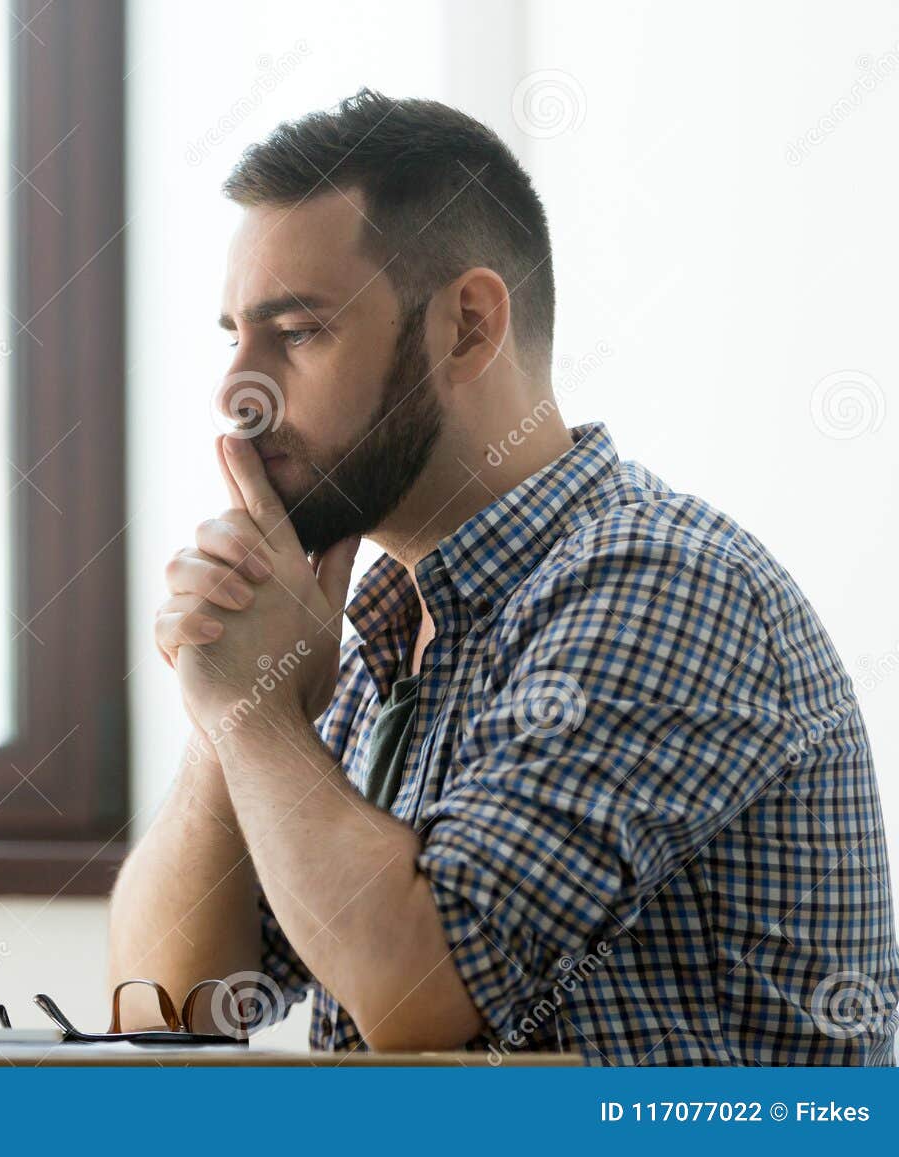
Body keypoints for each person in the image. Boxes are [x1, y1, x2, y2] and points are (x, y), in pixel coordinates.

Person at [106, 86, 899, 1064]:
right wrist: (230, 693)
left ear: (467, 327)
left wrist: (256, 718)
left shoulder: (656, 584)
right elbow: (167, 1006)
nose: (235, 389)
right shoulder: (391, 636)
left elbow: (423, 996)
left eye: (297, 332)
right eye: (235, 336)